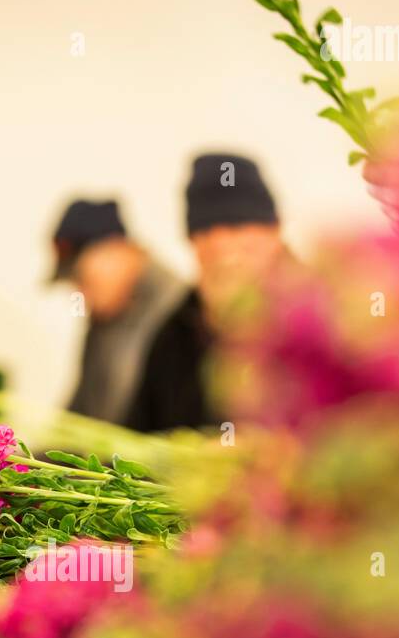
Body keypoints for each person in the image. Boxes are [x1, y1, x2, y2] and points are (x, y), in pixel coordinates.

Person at [125, 154, 286, 433]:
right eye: (205, 230)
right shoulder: (174, 334)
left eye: (237, 227)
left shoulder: (319, 323)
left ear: (274, 231)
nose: (221, 246)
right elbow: (136, 437)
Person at [48, 198, 185, 425]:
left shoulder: (178, 312)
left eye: (81, 278)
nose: (80, 294)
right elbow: (78, 418)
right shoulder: (102, 317)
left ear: (117, 248)